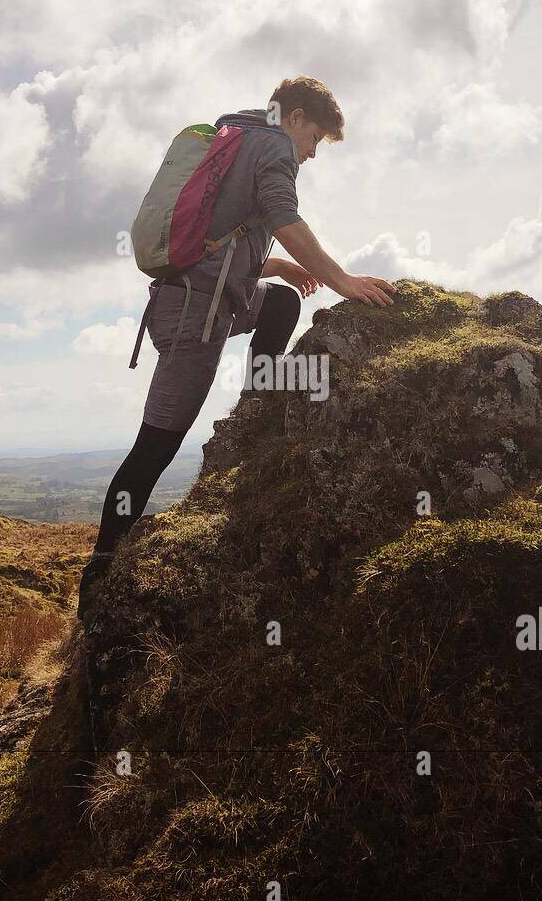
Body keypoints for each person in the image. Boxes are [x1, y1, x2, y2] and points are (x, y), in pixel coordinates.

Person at [78, 76, 396, 601]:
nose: (313, 153)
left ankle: (259, 397)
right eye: (315, 138)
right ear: (294, 117)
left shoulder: (238, 132)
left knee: (281, 302)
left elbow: (218, 244)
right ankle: (101, 568)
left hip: (205, 298)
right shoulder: (272, 144)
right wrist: (345, 281)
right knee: (156, 444)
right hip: (192, 317)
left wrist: (279, 267)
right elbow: (284, 216)